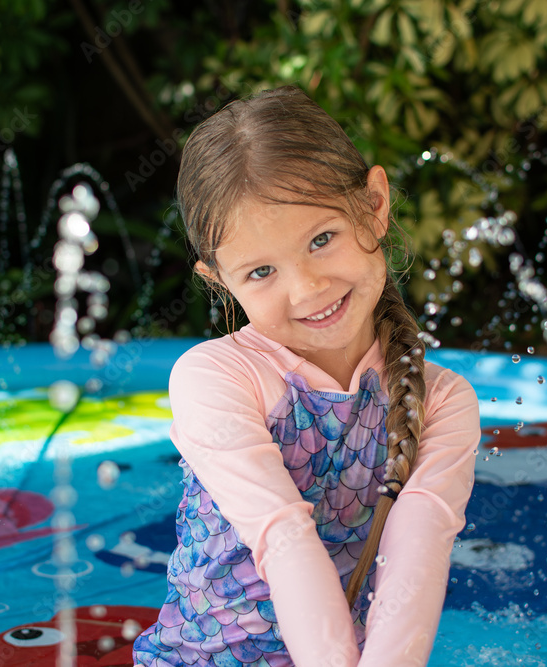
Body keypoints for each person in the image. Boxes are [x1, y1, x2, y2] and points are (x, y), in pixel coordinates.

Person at [132, 85, 480, 667]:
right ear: (219, 279)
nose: (308, 289)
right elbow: (284, 540)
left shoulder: (441, 401)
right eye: (262, 271)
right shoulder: (217, 379)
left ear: (374, 204)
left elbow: (414, 564)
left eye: (322, 239)